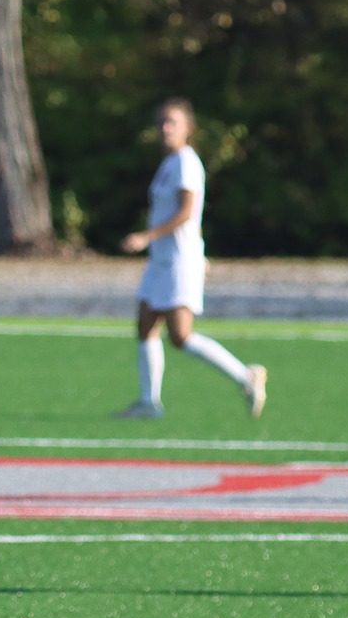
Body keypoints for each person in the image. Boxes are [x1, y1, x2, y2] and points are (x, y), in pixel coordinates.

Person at [114, 98, 266, 420]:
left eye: (173, 123)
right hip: (162, 261)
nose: (165, 129)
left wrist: (147, 237)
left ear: (188, 128)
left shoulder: (186, 162)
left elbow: (186, 212)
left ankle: (245, 376)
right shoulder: (169, 163)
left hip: (178, 262)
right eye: (162, 123)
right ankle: (148, 402)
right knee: (144, 327)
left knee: (180, 336)